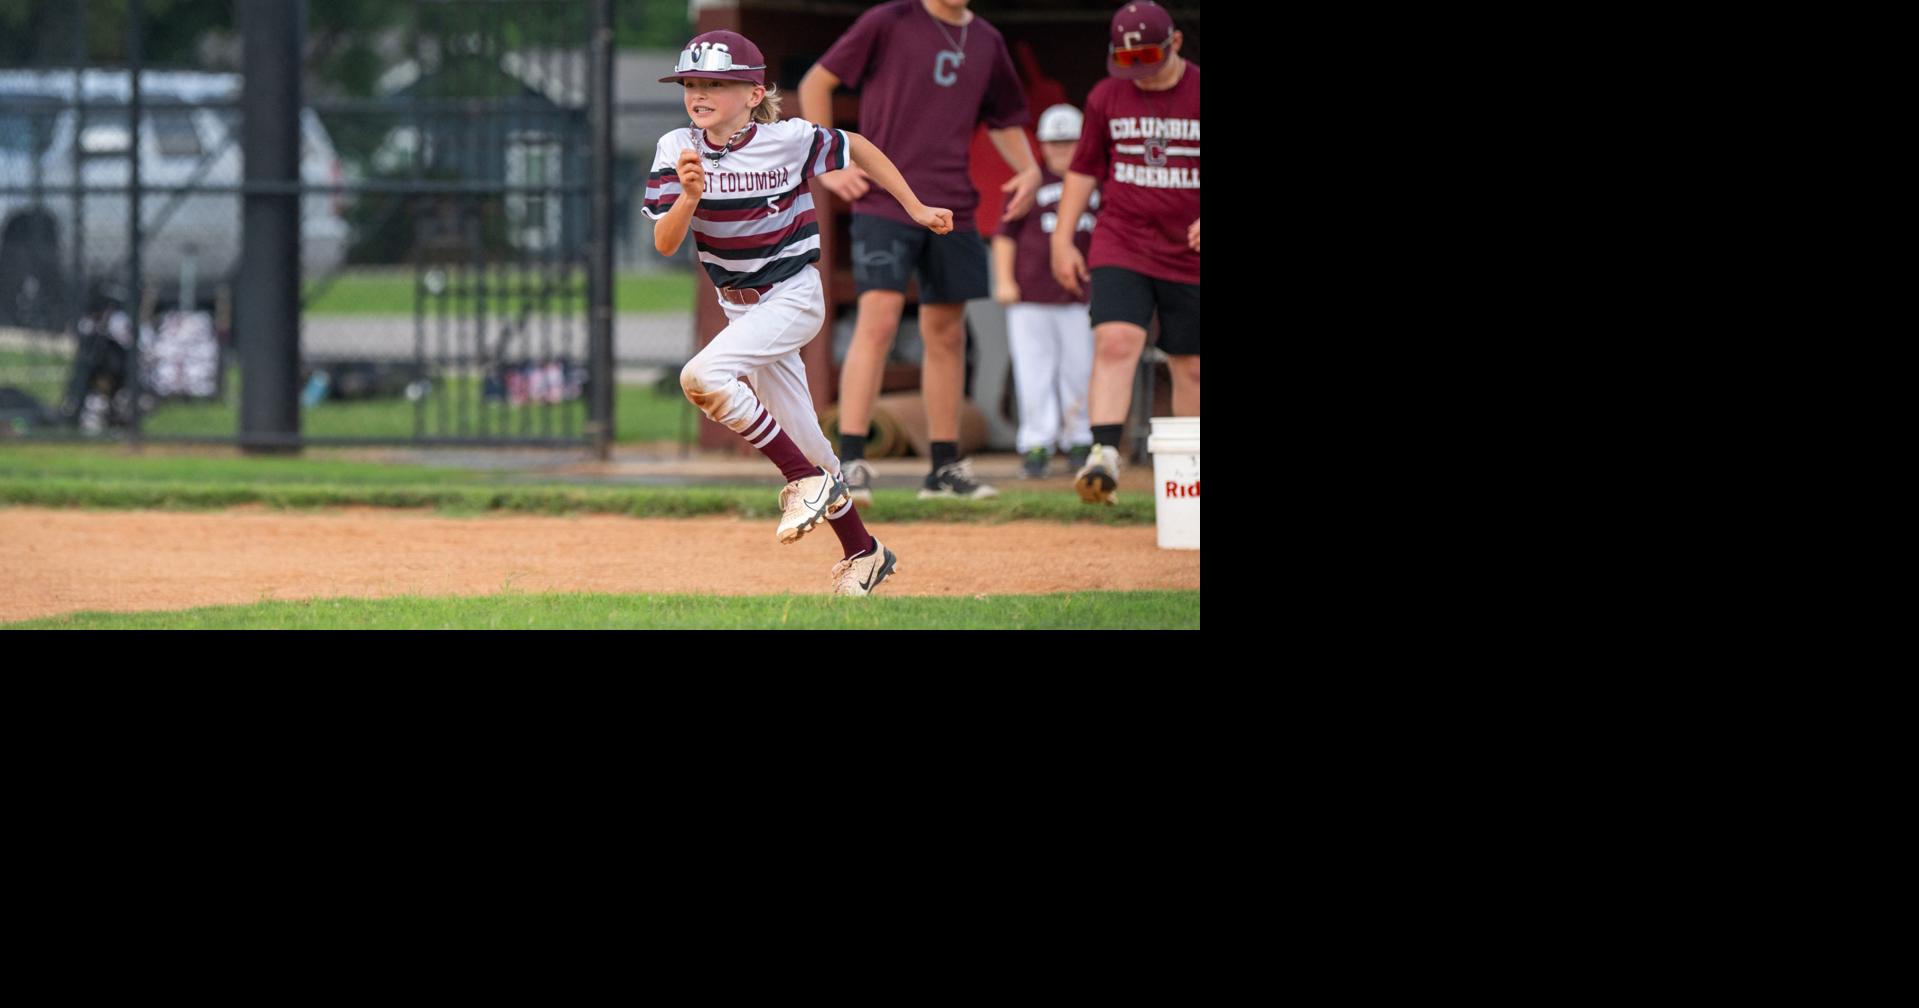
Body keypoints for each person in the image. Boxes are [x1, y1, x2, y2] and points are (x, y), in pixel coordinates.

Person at [643, 30, 955, 596]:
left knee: (703, 377)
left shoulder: (789, 139)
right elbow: (666, 243)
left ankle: (801, 482)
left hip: (792, 295)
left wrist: (912, 205)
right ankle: (865, 551)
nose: (699, 93)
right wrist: (688, 197)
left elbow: (856, 145)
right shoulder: (676, 148)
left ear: (754, 92)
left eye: (716, 82)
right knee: (812, 444)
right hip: (740, 310)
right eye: (691, 83)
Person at [800, 0, 1041, 506]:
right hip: (884, 203)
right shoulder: (889, 20)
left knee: (948, 332)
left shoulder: (988, 41)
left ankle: (945, 468)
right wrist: (829, 162)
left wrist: (1031, 168)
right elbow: (815, 83)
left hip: (954, 205)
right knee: (879, 319)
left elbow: (1004, 119)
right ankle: (852, 464)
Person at [1050, 1, 1199, 505]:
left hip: (1189, 250)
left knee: (1189, 363)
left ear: (1176, 43)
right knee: (1115, 339)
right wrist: (1062, 237)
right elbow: (1083, 169)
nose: (1141, 74)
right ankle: (1104, 455)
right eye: (1128, 62)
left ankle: (1189, 474)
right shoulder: (1106, 95)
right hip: (1123, 238)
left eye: (1150, 60)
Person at [992, 103, 1100, 479]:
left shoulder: (1096, 184)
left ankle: (1079, 439)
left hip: (1080, 296)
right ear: (1042, 145)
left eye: (1069, 142)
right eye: (1054, 143)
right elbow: (1005, 237)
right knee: (1033, 371)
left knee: (1080, 369)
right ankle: (1036, 442)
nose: (1061, 150)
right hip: (1031, 296)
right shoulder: (1030, 182)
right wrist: (1005, 281)